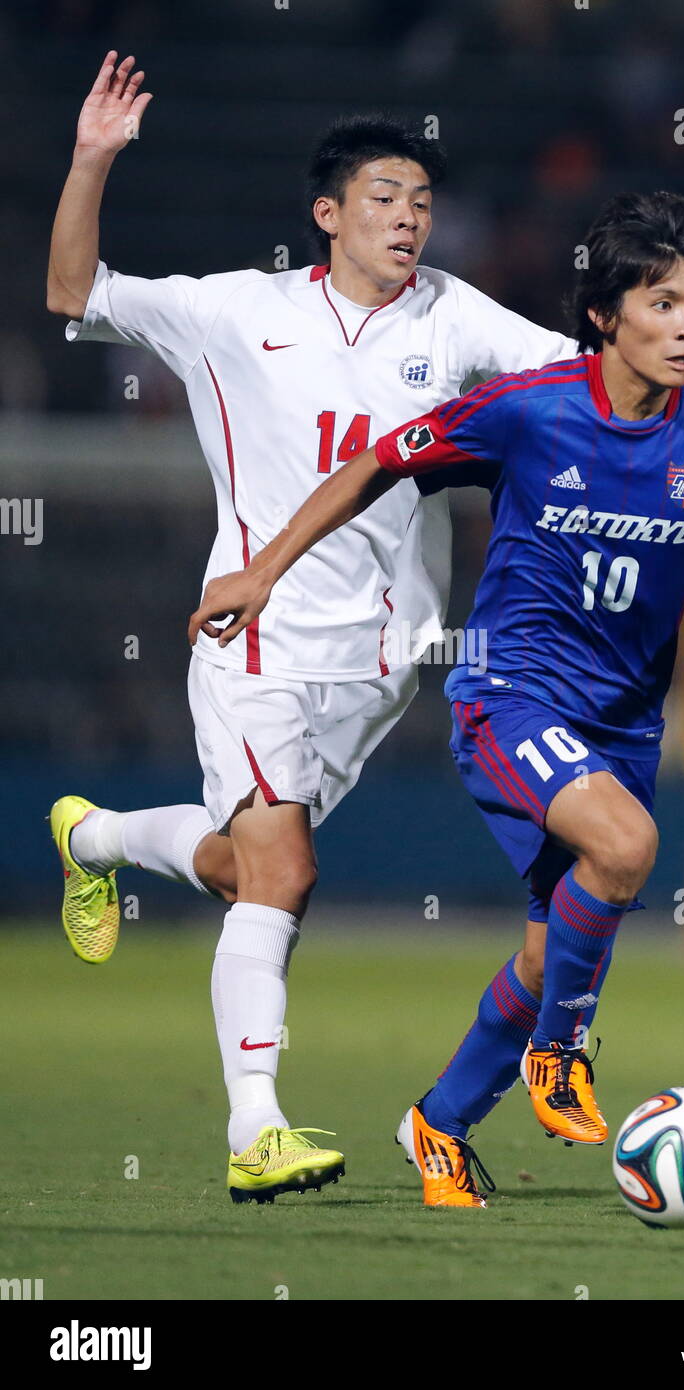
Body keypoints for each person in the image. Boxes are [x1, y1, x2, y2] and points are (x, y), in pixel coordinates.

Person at [188, 190, 684, 1208]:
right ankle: (560, 1054)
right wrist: (262, 570)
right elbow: (374, 464)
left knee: (546, 947)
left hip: (623, 721)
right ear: (604, 314)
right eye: (661, 303)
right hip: (509, 694)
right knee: (621, 849)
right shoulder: (531, 407)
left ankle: (436, 1123)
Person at [46, 49, 597, 1204]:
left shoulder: (454, 319)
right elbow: (75, 292)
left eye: (422, 201)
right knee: (284, 868)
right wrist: (94, 157)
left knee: (243, 865)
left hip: (381, 666)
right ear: (327, 214)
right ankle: (257, 1131)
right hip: (252, 636)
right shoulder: (231, 310)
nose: (409, 218)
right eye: (386, 199)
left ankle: (93, 837)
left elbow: (588, 380)